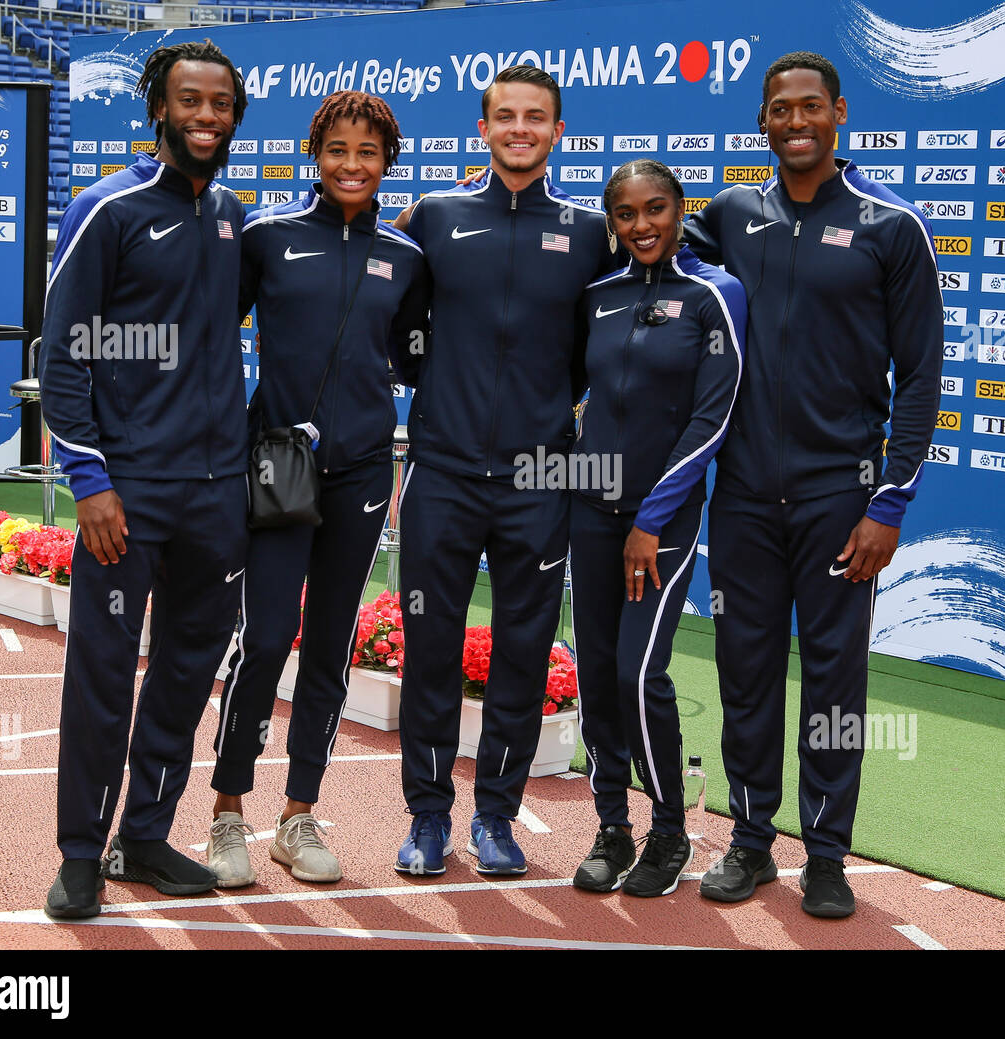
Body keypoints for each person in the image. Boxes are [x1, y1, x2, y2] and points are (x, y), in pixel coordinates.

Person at [684, 52, 942, 917]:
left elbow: (923, 379)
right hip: (747, 491)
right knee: (744, 671)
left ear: (837, 113)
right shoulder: (729, 215)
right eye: (779, 111)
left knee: (834, 681)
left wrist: (889, 503)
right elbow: (641, 248)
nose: (795, 123)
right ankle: (751, 841)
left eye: (810, 108)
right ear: (762, 122)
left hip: (843, 497)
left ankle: (826, 853)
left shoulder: (890, 225)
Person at [39, 39, 250, 918]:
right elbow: (63, 359)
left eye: (221, 105)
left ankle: (146, 834)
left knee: (184, 669)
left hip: (217, 495)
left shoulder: (232, 213)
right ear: (157, 108)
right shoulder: (108, 207)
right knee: (102, 666)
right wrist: (91, 479)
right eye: (190, 102)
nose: (206, 117)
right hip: (128, 494)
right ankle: (82, 851)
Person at [391, 64, 613, 876]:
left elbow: (599, 346)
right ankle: (425, 818)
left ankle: (495, 818)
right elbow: (396, 326)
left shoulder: (591, 231)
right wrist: (447, 394)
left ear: (559, 131)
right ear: (482, 128)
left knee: (523, 649)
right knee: (430, 646)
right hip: (442, 469)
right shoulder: (435, 218)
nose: (521, 129)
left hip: (540, 476)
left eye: (537, 118)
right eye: (506, 117)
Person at [205, 91, 428, 887]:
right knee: (264, 637)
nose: (351, 165)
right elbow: (210, 337)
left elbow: (415, 358)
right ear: (315, 151)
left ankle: (298, 816)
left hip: (365, 470)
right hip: (277, 461)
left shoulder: (405, 258)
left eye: (367, 153)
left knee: (331, 645)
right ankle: (228, 813)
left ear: (387, 163)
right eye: (337, 149)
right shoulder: (266, 236)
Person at [569, 161, 744, 897]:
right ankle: (613, 825)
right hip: (587, 508)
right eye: (627, 214)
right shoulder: (599, 296)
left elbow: (713, 418)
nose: (642, 225)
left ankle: (670, 829)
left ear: (680, 210)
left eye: (657, 209)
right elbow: (569, 391)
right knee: (596, 672)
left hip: (660, 523)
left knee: (638, 672)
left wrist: (649, 518)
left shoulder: (714, 294)